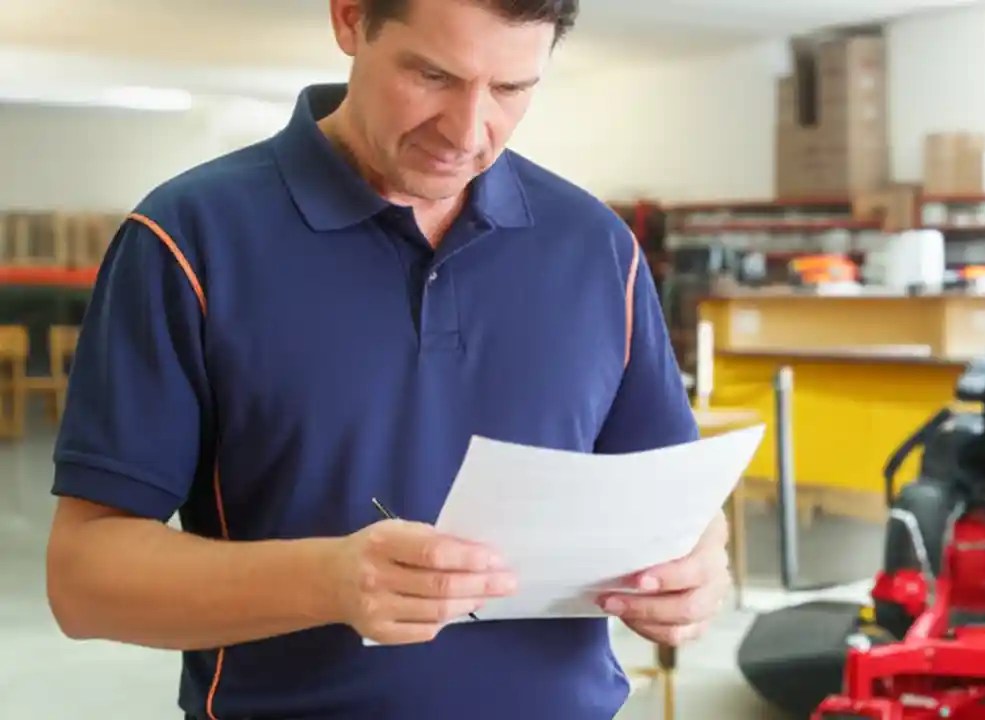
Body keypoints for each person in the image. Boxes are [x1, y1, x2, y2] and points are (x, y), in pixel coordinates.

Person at [43, 0, 731, 718]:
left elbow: (667, 504)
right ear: (349, 20)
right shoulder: (188, 238)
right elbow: (85, 580)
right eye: (432, 75)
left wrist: (695, 566)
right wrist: (331, 581)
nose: (468, 133)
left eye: (510, 90)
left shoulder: (596, 248)